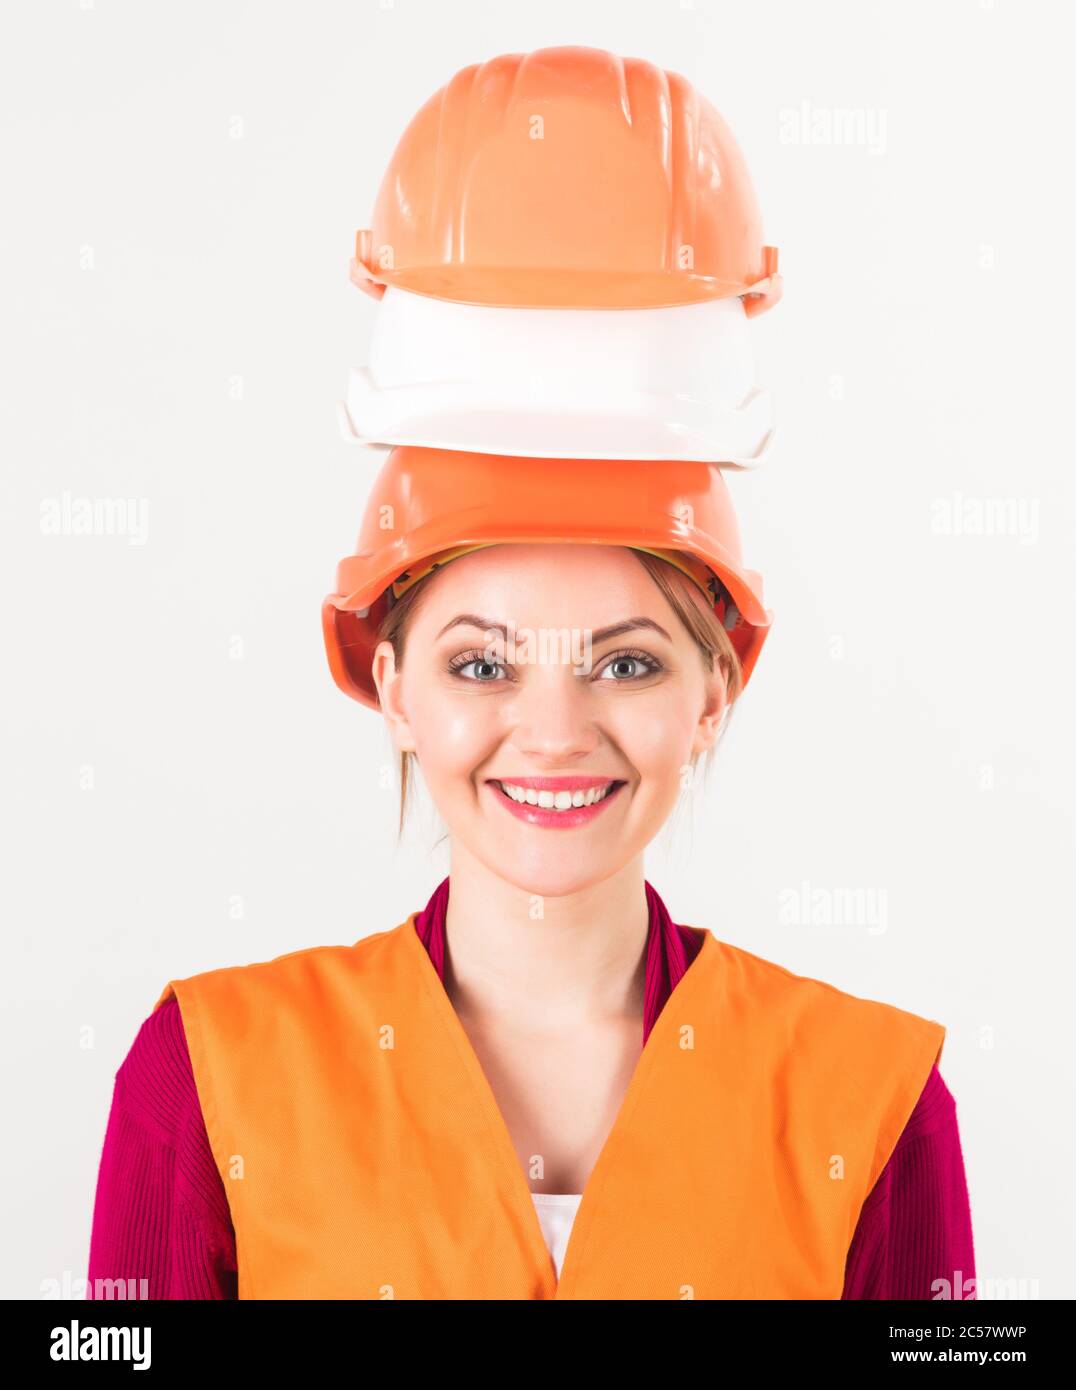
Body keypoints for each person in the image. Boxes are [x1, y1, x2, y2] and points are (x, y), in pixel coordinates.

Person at [87, 528, 976, 1299]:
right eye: (482, 665)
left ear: (711, 694)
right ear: (397, 694)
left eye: (626, 664)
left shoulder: (876, 1101)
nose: (555, 735)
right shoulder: (205, 1076)